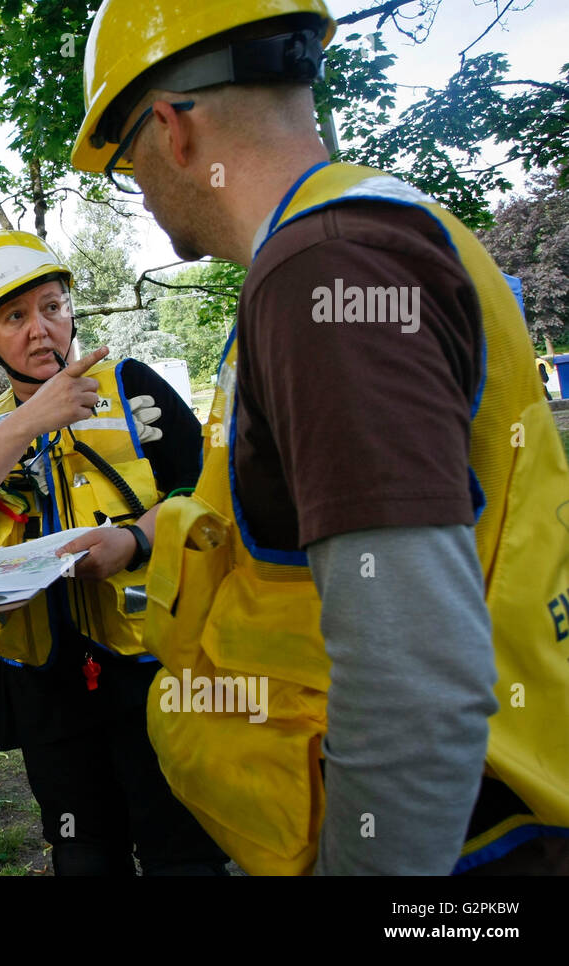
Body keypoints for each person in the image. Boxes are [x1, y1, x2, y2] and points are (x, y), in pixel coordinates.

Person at [72, 0, 569, 874]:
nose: (139, 193)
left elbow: (417, 682)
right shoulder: (352, 238)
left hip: (466, 845)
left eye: (124, 165)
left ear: (170, 128)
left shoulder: (323, 270)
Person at [0, 229, 227, 875]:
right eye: (15, 317)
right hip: (47, 684)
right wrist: (30, 420)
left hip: (150, 662)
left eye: (53, 307)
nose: (41, 331)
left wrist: (136, 538)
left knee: (181, 846)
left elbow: (202, 489)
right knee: (82, 851)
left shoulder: (133, 384)